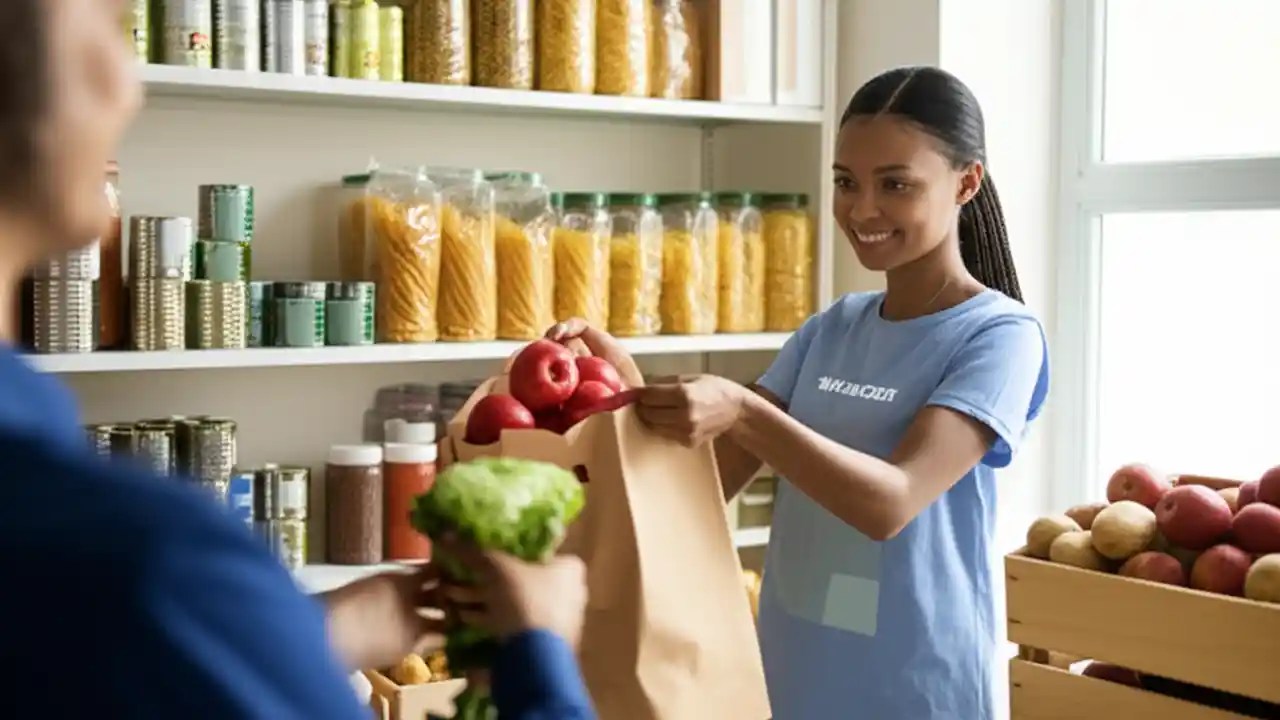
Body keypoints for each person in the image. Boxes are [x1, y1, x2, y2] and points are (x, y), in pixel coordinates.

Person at [0, 2, 592, 718]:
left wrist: (306, 629)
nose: (127, 83)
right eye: (105, 24)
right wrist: (540, 655)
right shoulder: (148, 560)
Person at [551, 65, 1049, 719]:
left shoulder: (1000, 337)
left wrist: (741, 409)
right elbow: (701, 486)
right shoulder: (832, 327)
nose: (861, 209)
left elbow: (890, 502)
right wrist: (624, 387)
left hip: (916, 685)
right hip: (792, 673)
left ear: (966, 181)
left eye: (895, 184)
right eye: (846, 182)